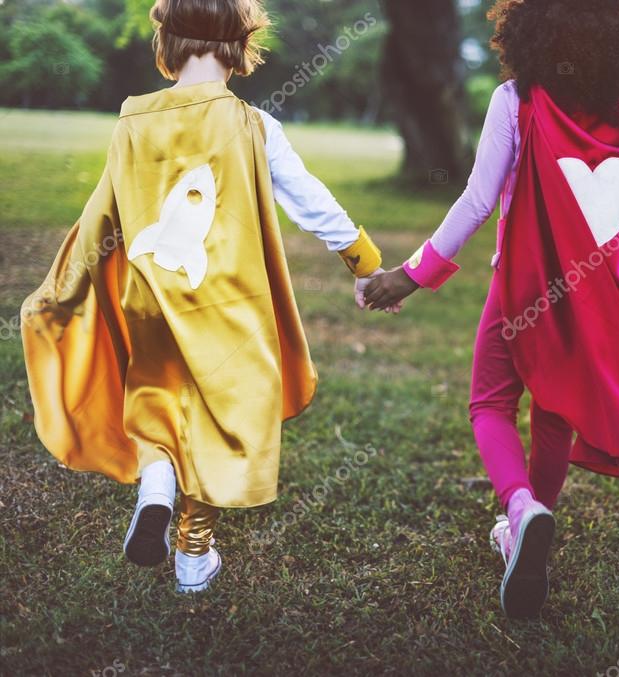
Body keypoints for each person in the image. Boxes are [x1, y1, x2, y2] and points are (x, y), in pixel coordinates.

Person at [20, 0, 388, 593]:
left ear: (166, 45)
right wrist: (364, 262)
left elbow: (102, 214)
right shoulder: (253, 125)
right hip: (229, 309)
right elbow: (309, 198)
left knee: (157, 396)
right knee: (219, 419)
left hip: (152, 298)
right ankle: (194, 556)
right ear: (241, 48)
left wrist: (62, 288)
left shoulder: (132, 119)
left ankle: (157, 487)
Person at [362, 0, 619, 618]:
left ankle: (521, 509)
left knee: (491, 401)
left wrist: (411, 275)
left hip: (525, 288)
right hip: (604, 300)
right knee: (555, 414)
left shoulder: (515, 100)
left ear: (527, 27)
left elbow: (476, 202)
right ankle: (531, 534)